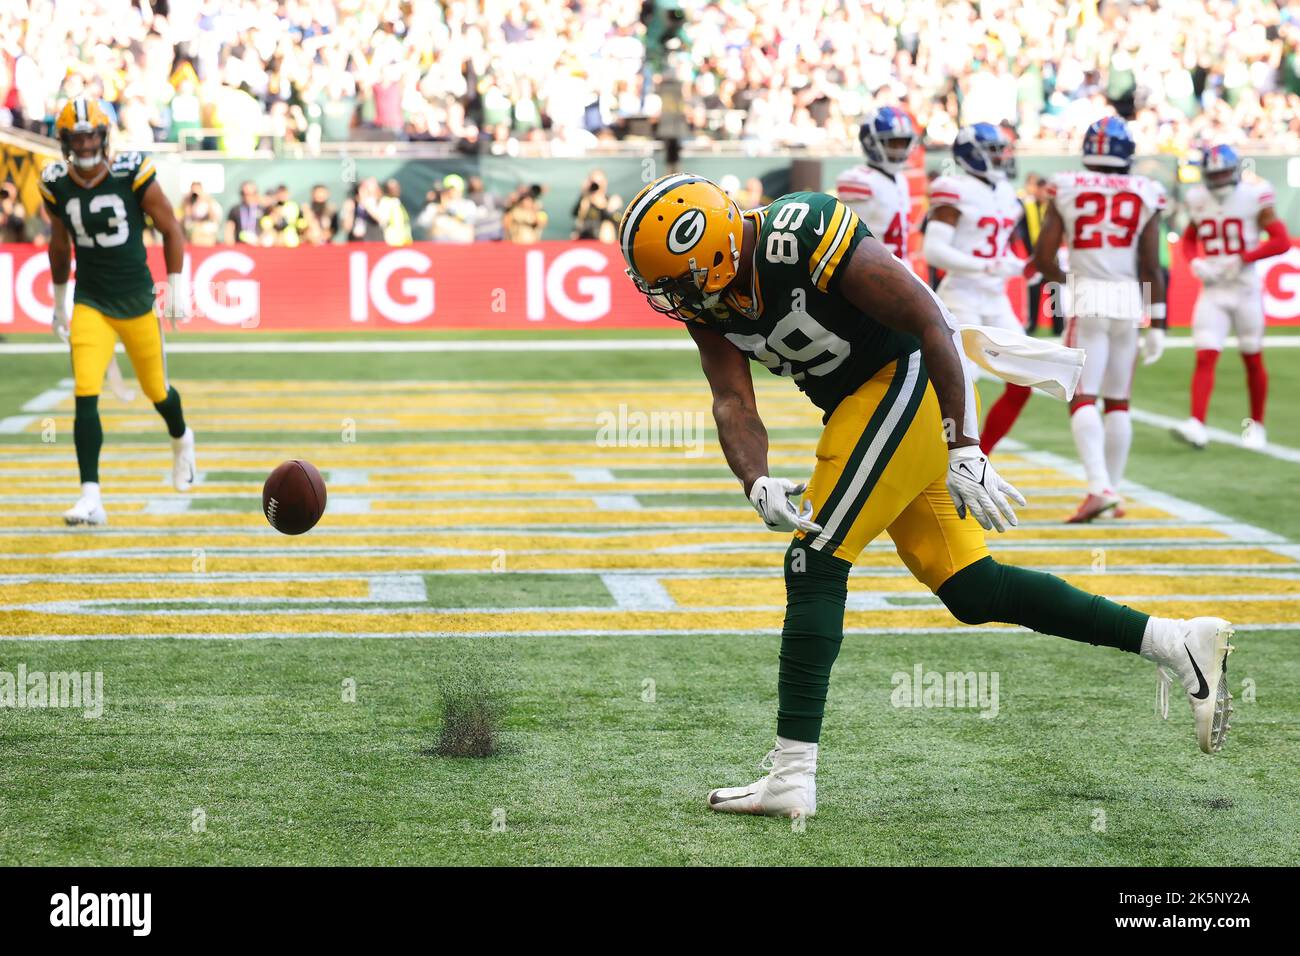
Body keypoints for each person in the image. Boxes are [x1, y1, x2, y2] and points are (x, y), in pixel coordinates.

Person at [617, 173, 1234, 818]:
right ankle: (1176, 641)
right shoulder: (708, 300)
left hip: (905, 381)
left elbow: (928, 316)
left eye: (675, 280)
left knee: (815, 558)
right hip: (864, 404)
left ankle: (792, 775)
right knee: (973, 588)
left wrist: (965, 443)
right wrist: (757, 480)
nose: (671, 297)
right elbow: (731, 399)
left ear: (710, 250)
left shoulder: (797, 232)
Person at [40, 97, 195, 527]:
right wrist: (58, 301)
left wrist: (177, 285)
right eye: (77, 136)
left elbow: (170, 227)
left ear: (105, 136)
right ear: (65, 141)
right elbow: (58, 243)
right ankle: (91, 496)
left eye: (92, 135)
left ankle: (182, 439)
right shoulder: (55, 181)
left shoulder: (131, 172)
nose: (86, 143)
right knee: (84, 392)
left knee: (156, 391)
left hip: (135, 301)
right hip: (91, 300)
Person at [1032, 117, 1168, 522]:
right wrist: (1158, 322)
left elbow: (1043, 256)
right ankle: (1113, 493)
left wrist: (1065, 287)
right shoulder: (1145, 189)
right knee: (1119, 401)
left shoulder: (1068, 185)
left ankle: (1099, 487)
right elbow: (1150, 262)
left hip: (1088, 293)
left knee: (1083, 396)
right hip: (1130, 298)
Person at [1172, 145, 1290, 451]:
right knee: (1205, 355)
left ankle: (1256, 425)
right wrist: (1194, 261)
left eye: (1224, 172)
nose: (1220, 179)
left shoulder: (1254, 194)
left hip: (1245, 287)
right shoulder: (1198, 198)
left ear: (1235, 170)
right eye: (1215, 174)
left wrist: (1244, 258)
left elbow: (1281, 241)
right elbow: (1188, 241)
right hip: (1213, 288)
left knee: (1251, 356)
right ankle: (1197, 423)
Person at [924, 124, 1031, 457]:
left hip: (996, 298)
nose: (1002, 156)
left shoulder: (1004, 191)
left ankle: (983, 456)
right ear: (973, 154)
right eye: (994, 150)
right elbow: (934, 250)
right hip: (962, 294)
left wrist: (1016, 264)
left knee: (1023, 379)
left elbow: (997, 248)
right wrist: (984, 266)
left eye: (1003, 149)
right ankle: (939, 455)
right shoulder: (955, 189)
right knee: (961, 383)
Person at [835, 107, 917, 262]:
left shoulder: (900, 179)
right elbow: (848, 244)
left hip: (902, 271)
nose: (900, 150)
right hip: (872, 274)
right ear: (870, 143)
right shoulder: (859, 181)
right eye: (893, 143)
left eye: (903, 143)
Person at [571, 170, 621, 242]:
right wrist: (583, 194)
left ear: (604, 184)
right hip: (584, 239)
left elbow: (618, 220)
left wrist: (604, 207)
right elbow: (574, 213)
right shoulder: (585, 200)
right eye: (593, 182)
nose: (596, 186)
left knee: (607, 226)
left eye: (599, 182)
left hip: (604, 242)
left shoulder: (611, 201)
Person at [341, 177, 385, 242]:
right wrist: (349, 211)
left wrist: (366, 204)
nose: (364, 192)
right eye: (362, 189)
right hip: (355, 241)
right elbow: (346, 227)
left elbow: (381, 219)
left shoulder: (379, 202)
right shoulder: (352, 204)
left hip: (373, 241)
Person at [179, 181, 222, 246]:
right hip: (192, 233)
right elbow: (185, 217)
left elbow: (214, 218)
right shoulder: (188, 203)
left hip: (206, 233)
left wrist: (206, 199)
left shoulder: (209, 202)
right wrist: (188, 202)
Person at [224, 181, 263, 245]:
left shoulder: (262, 209)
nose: (247, 197)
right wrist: (230, 245)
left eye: (251, 194)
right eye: (244, 194)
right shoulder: (235, 210)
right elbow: (229, 229)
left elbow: (268, 229)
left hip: (258, 246)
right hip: (239, 247)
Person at [377, 178, 411, 246]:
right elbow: (382, 221)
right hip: (393, 242)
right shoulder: (385, 202)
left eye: (397, 187)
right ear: (387, 189)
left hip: (404, 241)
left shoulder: (396, 202)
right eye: (393, 187)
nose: (397, 189)